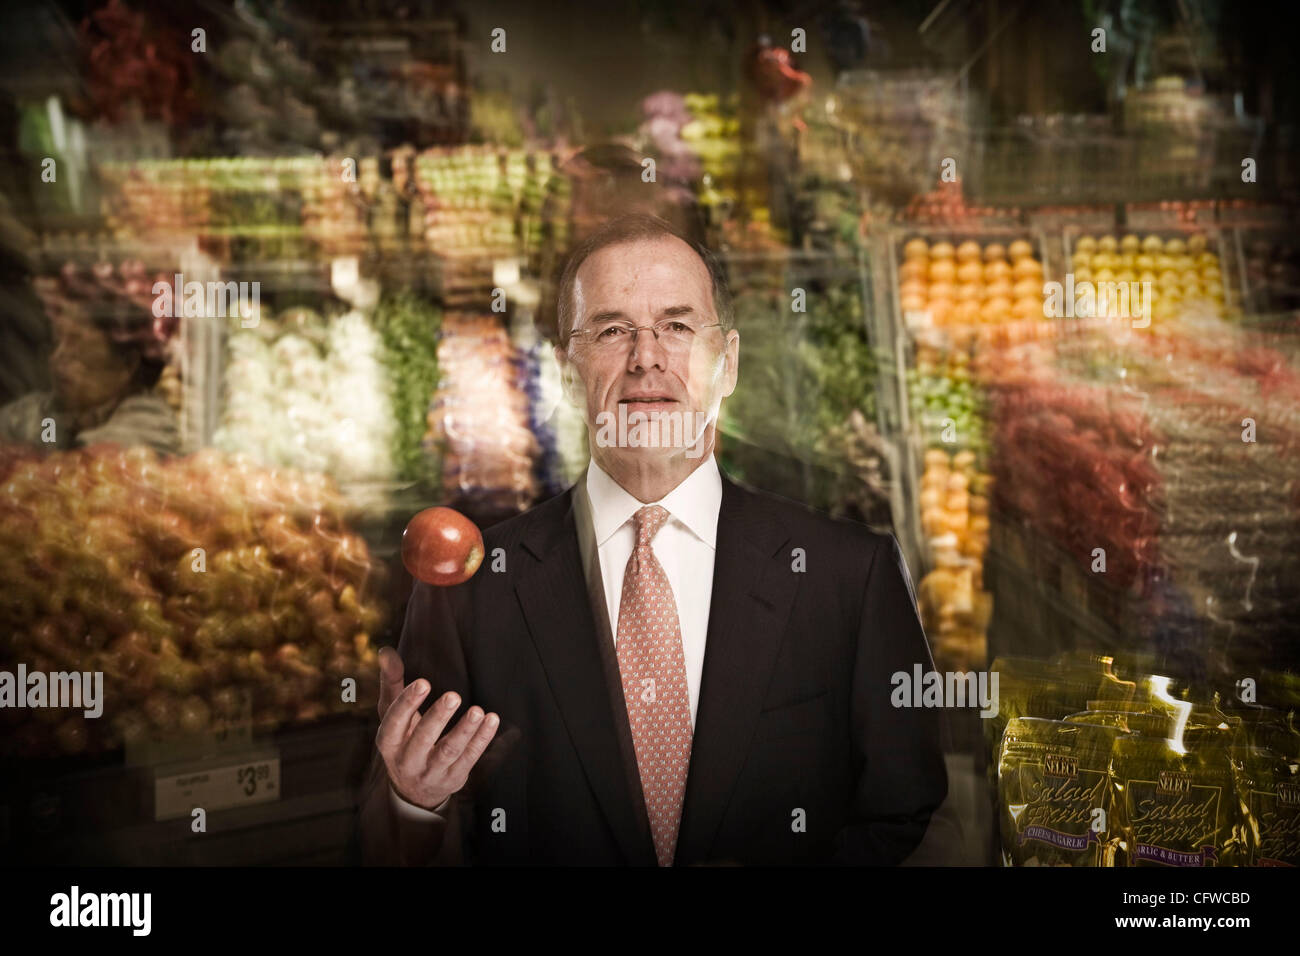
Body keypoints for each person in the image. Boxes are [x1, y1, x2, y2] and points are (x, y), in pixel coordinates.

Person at [359, 212, 947, 865]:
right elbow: (397, 846)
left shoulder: (850, 576)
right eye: (612, 330)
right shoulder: (470, 592)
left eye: (677, 326)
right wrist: (416, 803)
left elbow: (901, 807)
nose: (647, 358)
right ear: (565, 373)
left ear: (727, 363)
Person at [0, 273, 180, 456]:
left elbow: (87, 468)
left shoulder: (148, 423)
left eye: (76, 345)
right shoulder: (42, 414)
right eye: (57, 341)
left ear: (128, 364)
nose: (57, 357)